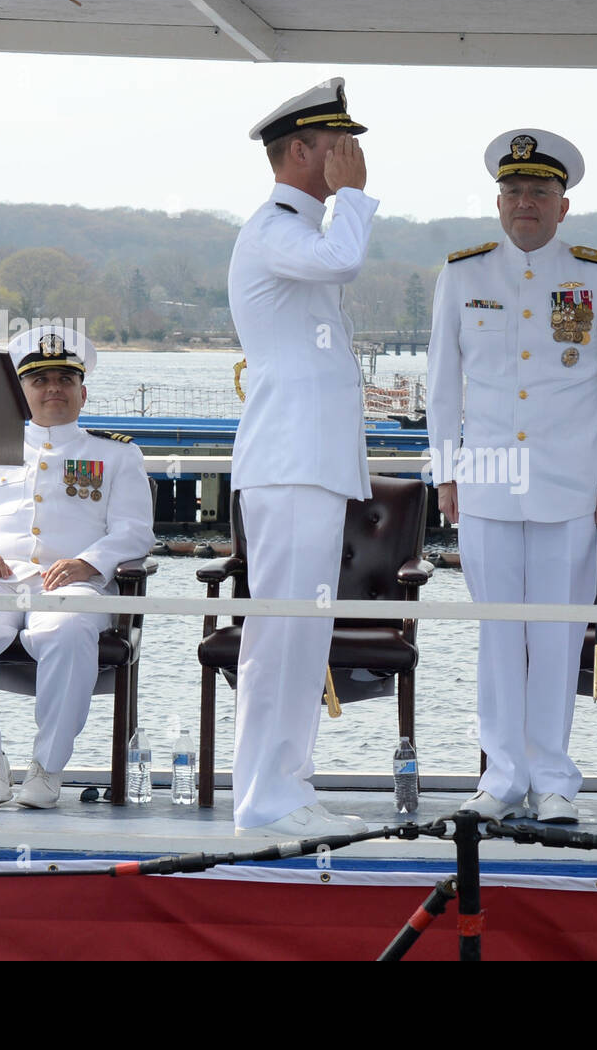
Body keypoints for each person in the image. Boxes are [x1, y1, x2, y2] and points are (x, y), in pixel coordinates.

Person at [427, 129, 597, 824]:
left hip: (569, 486)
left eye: (540, 193)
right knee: (497, 634)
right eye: (516, 192)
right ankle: (501, 776)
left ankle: (553, 777)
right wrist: (445, 471)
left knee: (557, 635)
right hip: (486, 483)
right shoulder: (461, 275)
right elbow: (441, 386)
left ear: (563, 205)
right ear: (498, 202)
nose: (527, 203)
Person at [226, 78, 378, 838]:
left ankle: (286, 781)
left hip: (309, 463)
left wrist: (341, 195)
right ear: (298, 153)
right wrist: (351, 197)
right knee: (280, 632)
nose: (350, 158)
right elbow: (343, 261)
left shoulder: (298, 227)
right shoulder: (275, 228)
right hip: (287, 462)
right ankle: (261, 793)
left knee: (302, 632)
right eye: (335, 147)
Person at [0, 325, 154, 809]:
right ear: (21, 391)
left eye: (65, 380)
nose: (54, 389)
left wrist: (89, 563)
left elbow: (135, 531)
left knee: (69, 631)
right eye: (40, 380)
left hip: (72, 584)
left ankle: (46, 770)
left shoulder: (115, 454)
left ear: (83, 392)